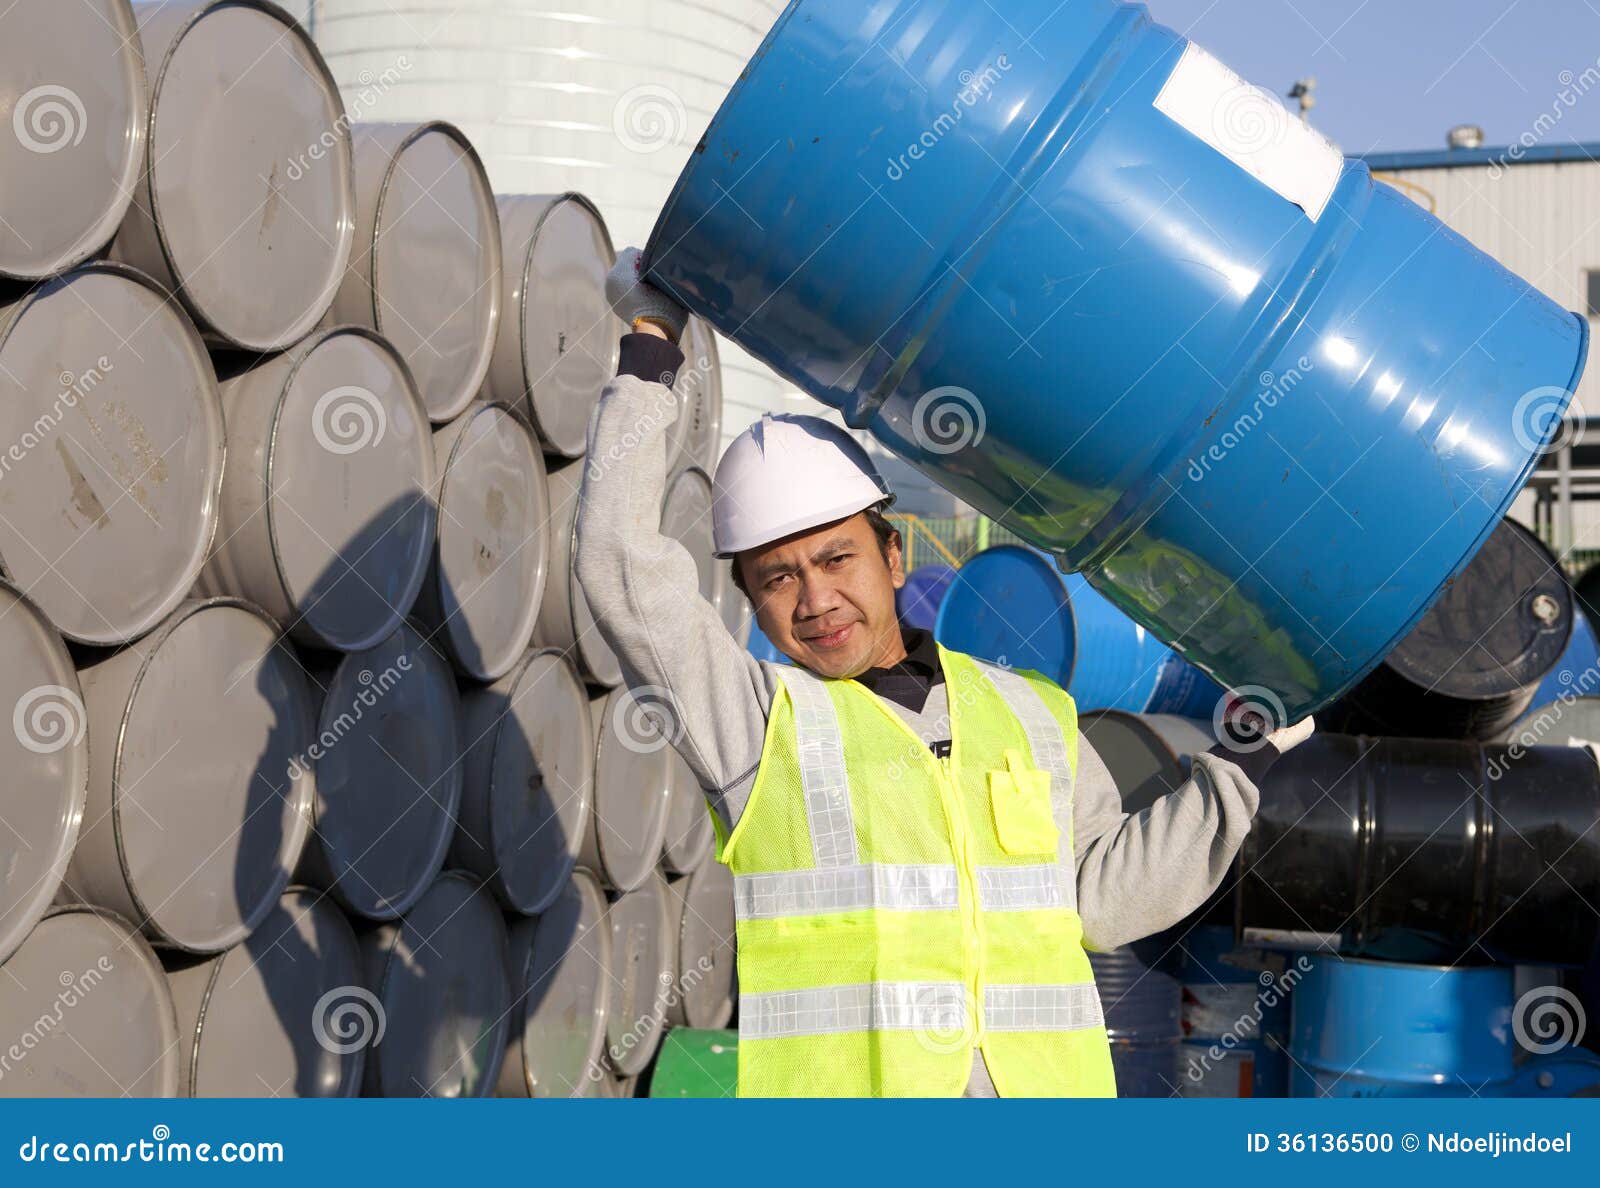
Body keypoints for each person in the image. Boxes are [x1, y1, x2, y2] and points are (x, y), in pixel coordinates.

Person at [573, 248, 1314, 1098]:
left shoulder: (1031, 714)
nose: (816, 598)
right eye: (778, 578)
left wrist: (1245, 762)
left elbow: (1101, 900)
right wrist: (651, 344)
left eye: (836, 558)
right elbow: (619, 566)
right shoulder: (756, 725)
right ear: (749, 599)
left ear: (893, 557)